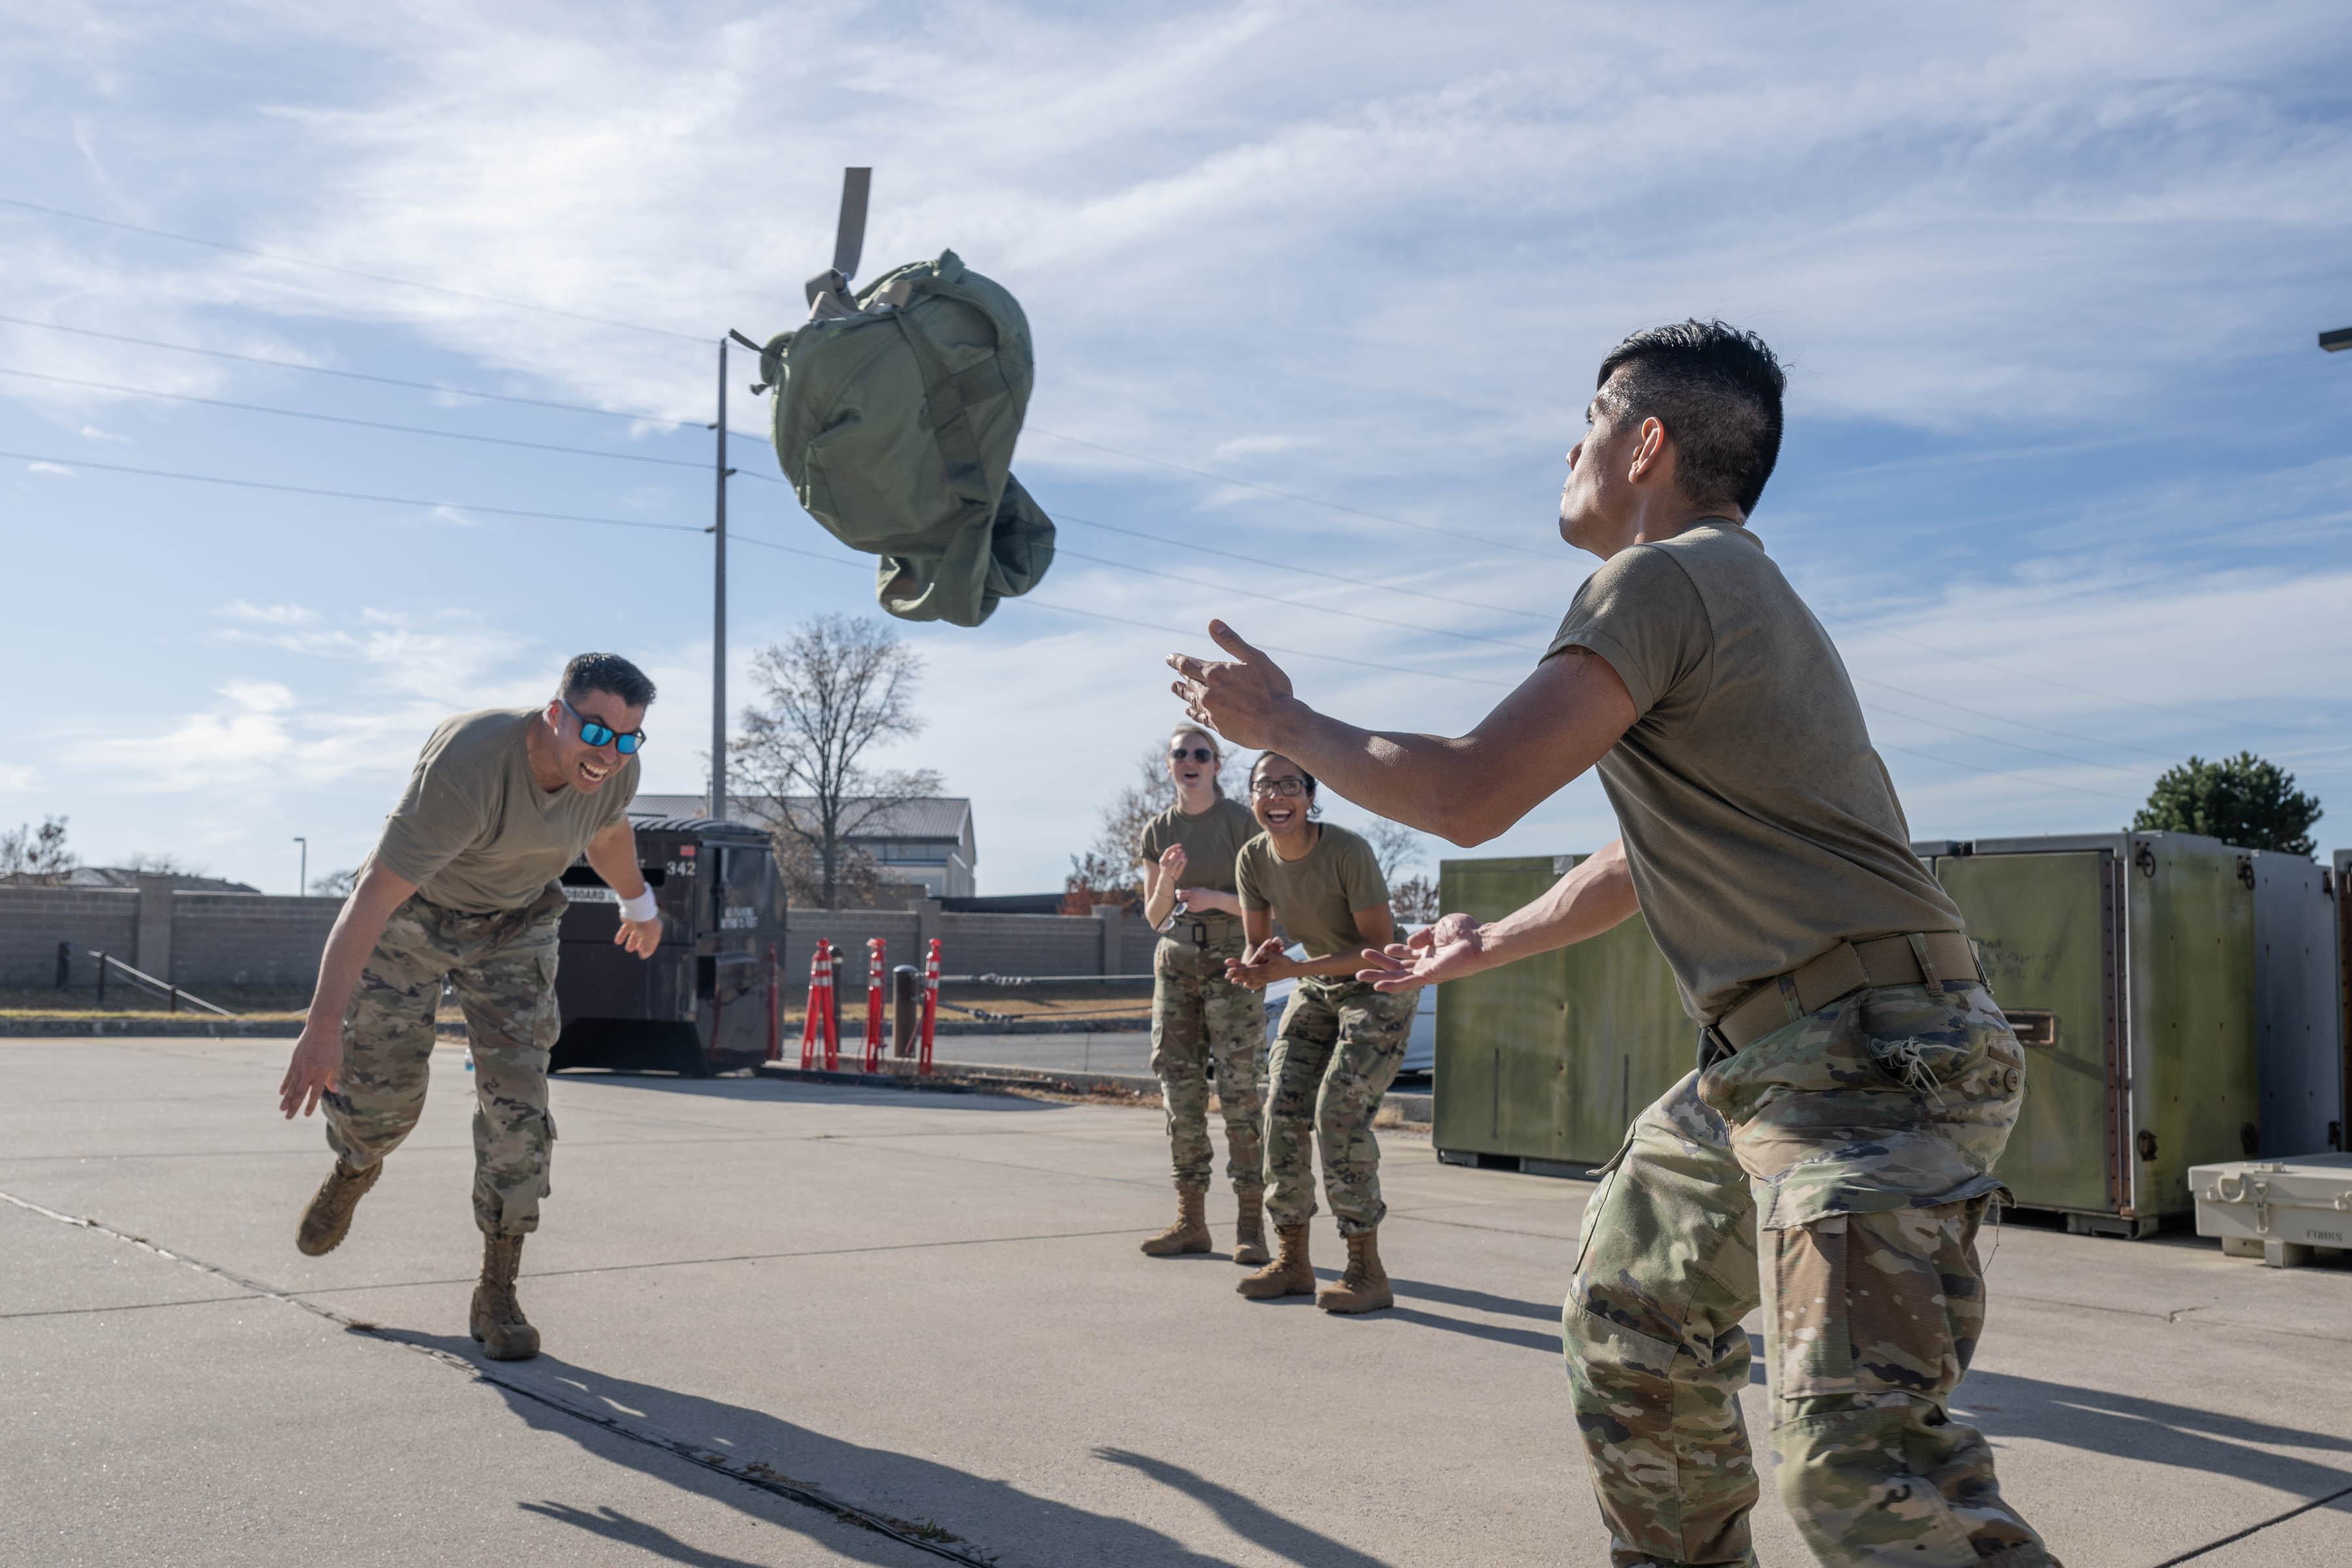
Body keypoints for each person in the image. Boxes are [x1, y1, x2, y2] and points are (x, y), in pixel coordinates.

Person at [1168, 321, 2057, 1567]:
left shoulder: (1663, 578)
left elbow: (1473, 791)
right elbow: (1633, 862)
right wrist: (1486, 946)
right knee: (1632, 1325)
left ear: (1645, 445)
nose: (1567, 447)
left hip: (1869, 1063)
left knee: (1870, 1476)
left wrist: (1289, 720)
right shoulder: (1730, 599)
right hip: (1782, 1062)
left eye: (1588, 420)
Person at [276, 653, 662, 1362]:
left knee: (518, 1105)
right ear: (556, 713)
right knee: (383, 1102)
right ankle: (357, 1164)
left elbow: (607, 833)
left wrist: (639, 903)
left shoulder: (613, 771)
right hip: (414, 917)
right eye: (597, 732)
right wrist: (322, 1026)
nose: (609, 755)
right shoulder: (472, 766)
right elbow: (374, 897)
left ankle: (497, 1289)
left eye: (629, 738)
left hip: (515, 929)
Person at [1224, 751, 1409, 1315]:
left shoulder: (1347, 851)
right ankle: (1294, 1261)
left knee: (1339, 1113)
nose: (1276, 797)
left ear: (1309, 796)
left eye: (1289, 785)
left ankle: (1365, 1271)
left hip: (1379, 983)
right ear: (1252, 797)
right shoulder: (1253, 859)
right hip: (1318, 984)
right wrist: (1257, 964)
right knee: (1282, 1108)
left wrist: (1295, 970)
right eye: (1264, 786)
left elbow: (1379, 952)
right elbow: (1258, 947)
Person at [1134, 727, 1268, 1262]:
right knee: (1179, 1093)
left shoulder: (1241, 822)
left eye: (1201, 754)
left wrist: (1216, 896)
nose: (1190, 761)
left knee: (1238, 1093)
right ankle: (1191, 1221)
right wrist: (1167, 881)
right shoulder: (1157, 830)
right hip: (1176, 963)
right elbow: (1153, 916)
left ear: (1217, 764)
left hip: (1231, 963)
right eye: (1180, 754)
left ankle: (1250, 1226)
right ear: (1168, 765)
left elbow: (1268, 904)